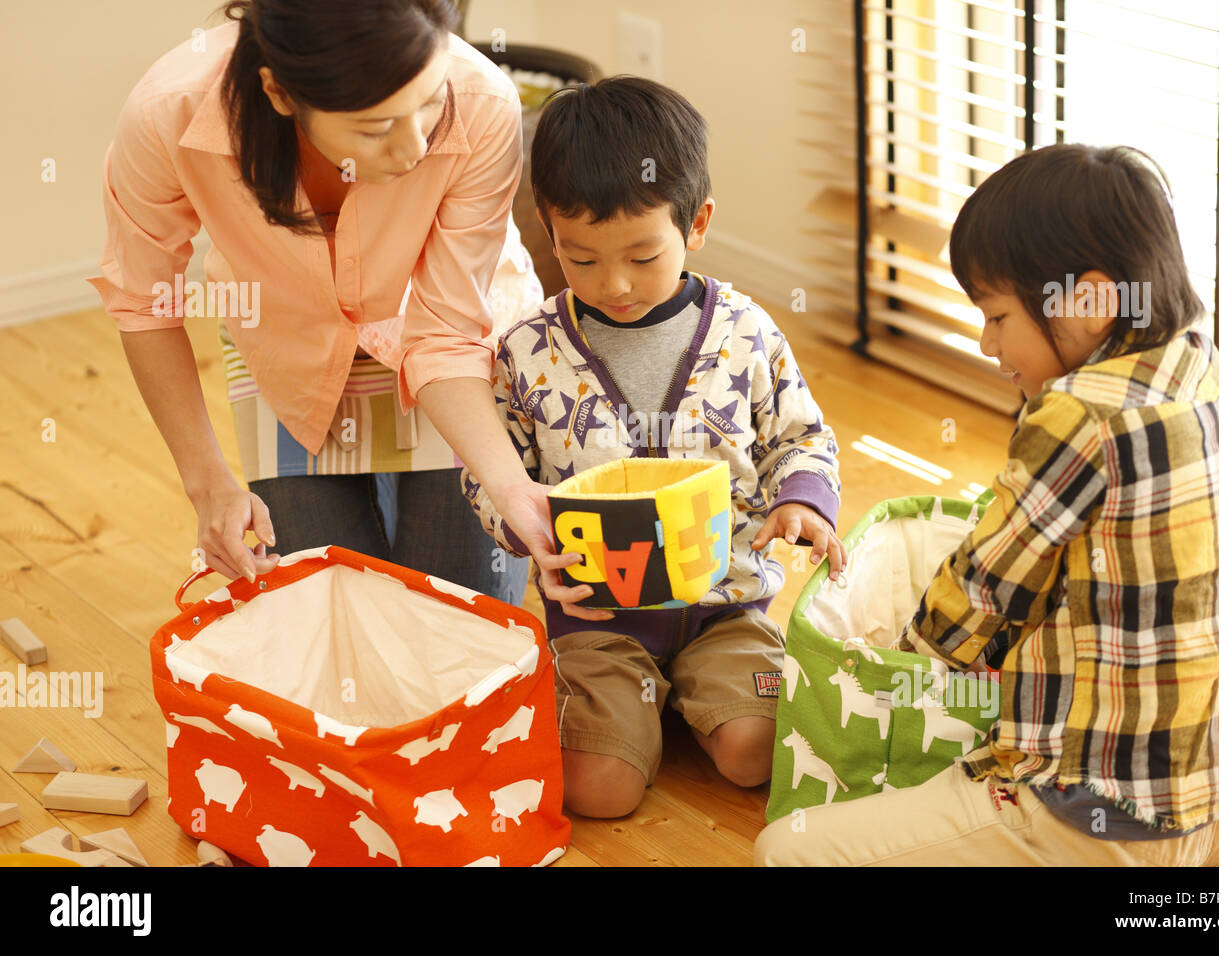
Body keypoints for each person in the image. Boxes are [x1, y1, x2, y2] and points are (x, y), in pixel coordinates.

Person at [755, 144, 1219, 866]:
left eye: (997, 316)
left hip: (1092, 810)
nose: (987, 343)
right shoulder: (1207, 370)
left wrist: (896, 650)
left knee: (783, 851)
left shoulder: (1078, 414)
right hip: (1209, 791)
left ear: (1091, 298)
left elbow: (978, 595)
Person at [91, 0, 573, 603]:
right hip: (287, 352)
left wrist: (510, 485)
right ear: (281, 94)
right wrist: (208, 485)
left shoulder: (482, 102)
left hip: (461, 350)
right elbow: (144, 304)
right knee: (333, 610)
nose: (415, 148)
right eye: (375, 128)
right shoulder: (170, 113)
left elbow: (445, 335)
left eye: (428, 103)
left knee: (459, 615)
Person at [462, 76, 847, 818]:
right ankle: (634, 710)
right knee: (598, 793)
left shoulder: (747, 333)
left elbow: (803, 435)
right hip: (597, 622)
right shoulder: (527, 350)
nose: (615, 285)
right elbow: (495, 473)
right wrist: (519, 523)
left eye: (642, 257)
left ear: (697, 223)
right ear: (546, 231)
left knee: (755, 754)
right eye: (580, 259)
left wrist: (804, 501)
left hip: (727, 605)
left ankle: (692, 699)